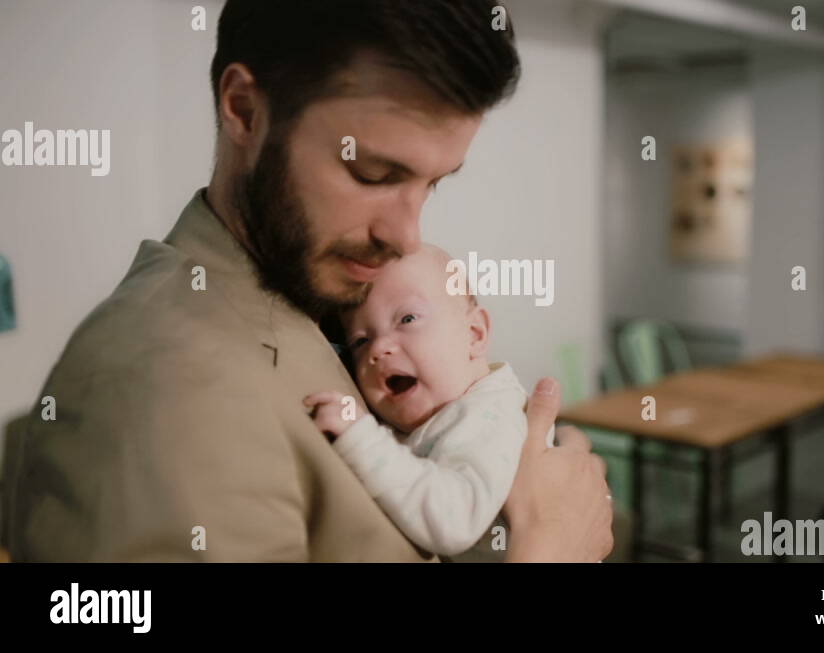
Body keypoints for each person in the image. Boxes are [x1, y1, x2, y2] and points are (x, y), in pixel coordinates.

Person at [4, 0, 612, 562]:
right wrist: (550, 551)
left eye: (434, 183)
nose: (406, 234)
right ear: (245, 109)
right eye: (372, 172)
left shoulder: (324, 298)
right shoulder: (159, 386)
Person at [306, 244, 557, 557]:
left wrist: (362, 439)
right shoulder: (443, 412)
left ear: (474, 334)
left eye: (407, 318)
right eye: (360, 340)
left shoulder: (490, 417)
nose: (379, 348)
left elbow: (455, 522)